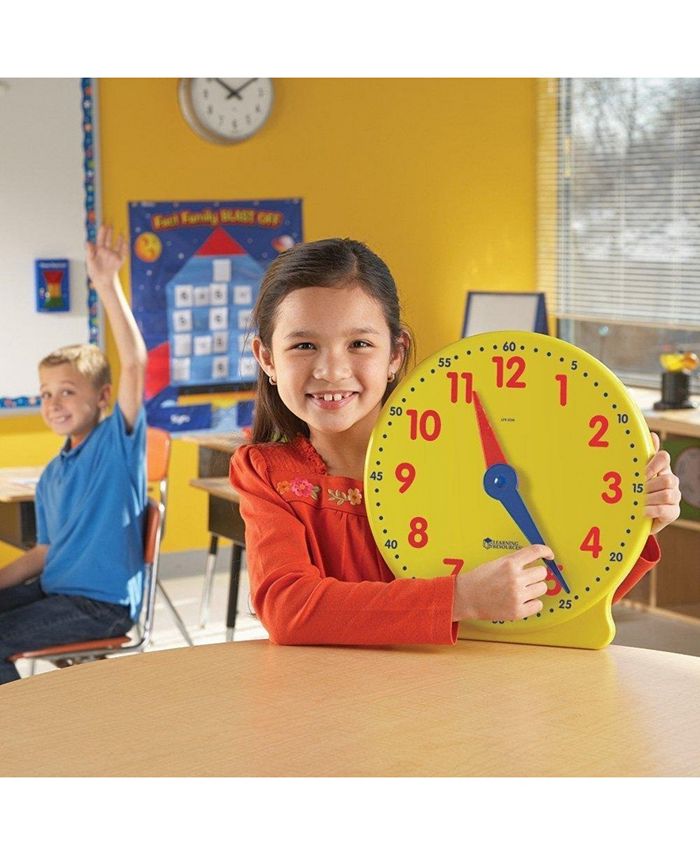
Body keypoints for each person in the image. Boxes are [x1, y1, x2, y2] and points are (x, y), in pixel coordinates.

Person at [230, 238, 681, 646]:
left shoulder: (460, 460)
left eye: (359, 344)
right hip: (336, 710)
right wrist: (460, 598)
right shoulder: (268, 474)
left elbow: (546, 608)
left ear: (396, 354)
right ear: (266, 358)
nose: (331, 370)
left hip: (464, 700)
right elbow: (289, 609)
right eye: (304, 346)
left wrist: (638, 527)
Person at [0, 225, 148, 683]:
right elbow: (43, 551)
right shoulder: (51, 475)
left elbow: (135, 364)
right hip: (54, 589)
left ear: (103, 396)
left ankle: (16, 742)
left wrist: (107, 284)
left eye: (67, 392)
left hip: (99, 606)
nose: (54, 404)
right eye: (46, 394)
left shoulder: (115, 444)